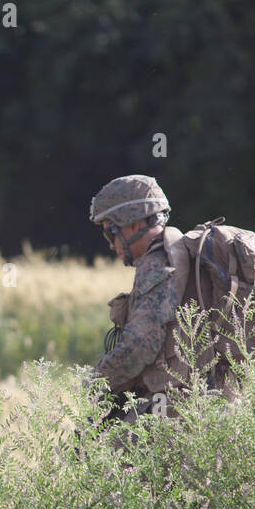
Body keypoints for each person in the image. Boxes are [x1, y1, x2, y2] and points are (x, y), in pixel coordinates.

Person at [86, 175, 195, 445]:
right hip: (219, 400)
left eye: (111, 232)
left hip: (182, 411)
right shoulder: (183, 255)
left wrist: (95, 382)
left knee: (104, 464)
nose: (111, 244)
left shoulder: (157, 265)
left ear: (134, 223)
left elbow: (139, 347)